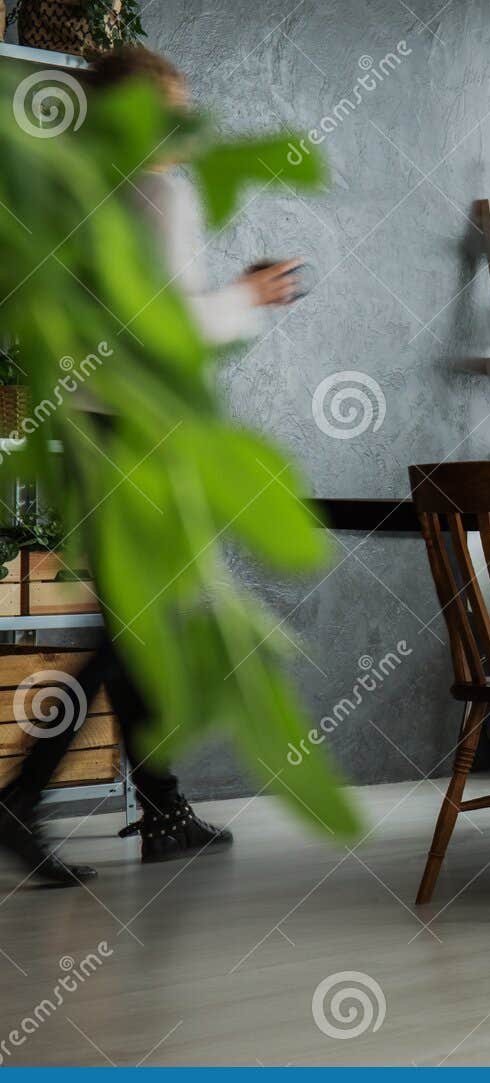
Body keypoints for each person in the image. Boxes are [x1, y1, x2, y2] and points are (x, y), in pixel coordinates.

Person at [0, 46, 304, 886]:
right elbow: (160, 328)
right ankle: (21, 797)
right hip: (140, 429)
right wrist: (250, 295)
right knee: (137, 626)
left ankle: (160, 808)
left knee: (134, 625)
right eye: (171, 107)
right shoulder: (159, 192)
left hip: (87, 427)